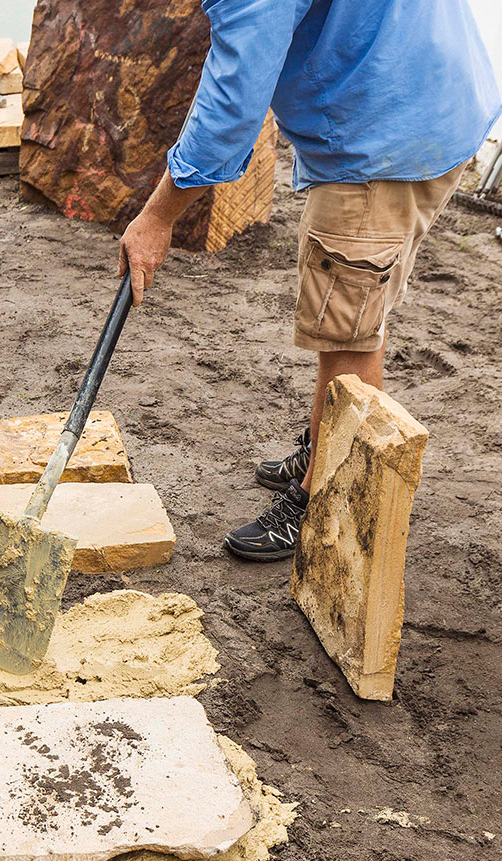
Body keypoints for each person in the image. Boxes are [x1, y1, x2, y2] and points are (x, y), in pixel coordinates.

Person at [118, 0, 501, 561]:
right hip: (439, 92)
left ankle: (323, 496)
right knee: (358, 299)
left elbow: (232, 107)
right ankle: (325, 443)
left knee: (345, 329)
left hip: (386, 132)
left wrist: (158, 215)